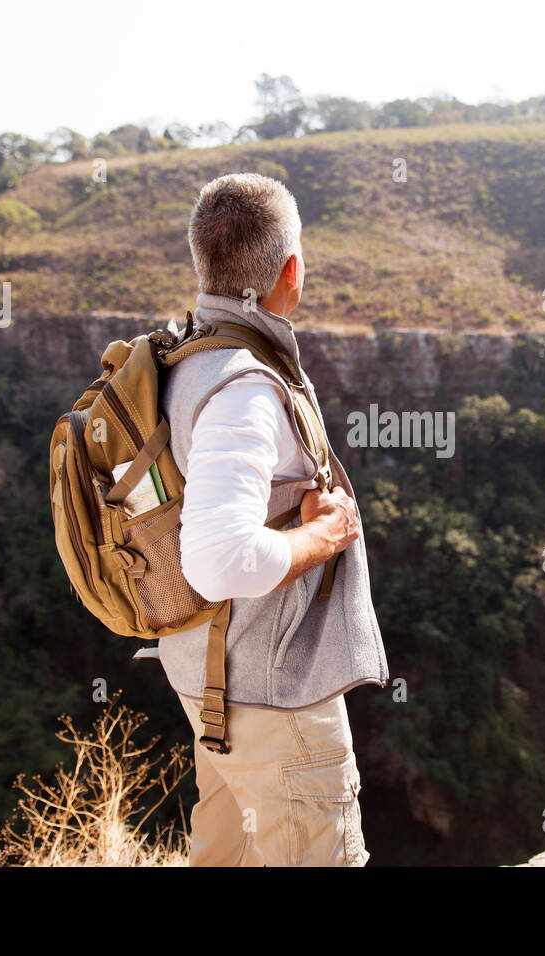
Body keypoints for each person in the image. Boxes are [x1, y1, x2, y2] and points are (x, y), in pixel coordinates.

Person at [158, 172, 389, 866]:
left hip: (207, 677)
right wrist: (322, 536)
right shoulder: (244, 385)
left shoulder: (183, 360)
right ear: (291, 270)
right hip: (273, 697)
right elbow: (219, 557)